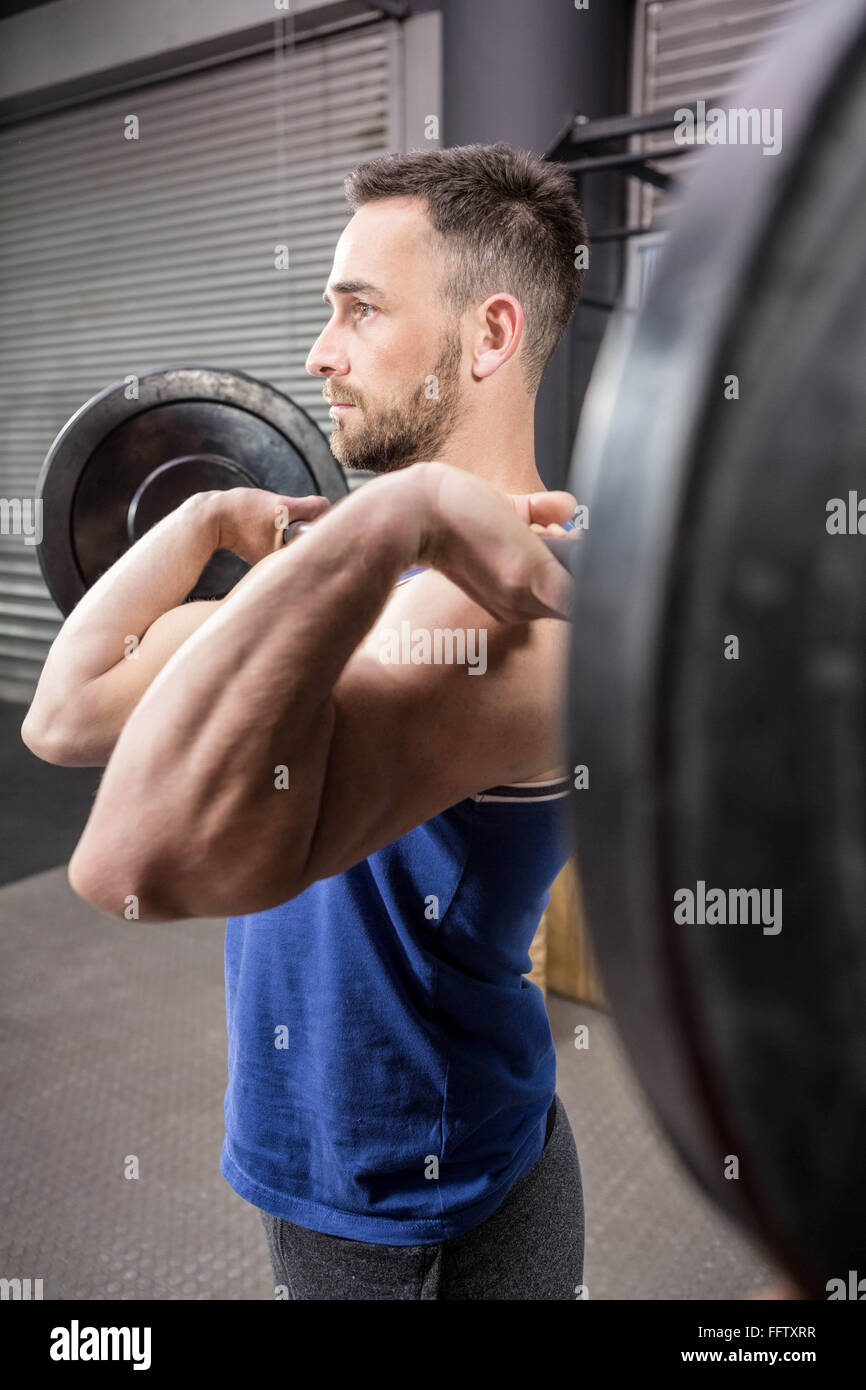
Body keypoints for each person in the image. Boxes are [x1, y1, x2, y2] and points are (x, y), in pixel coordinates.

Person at [23, 143, 589, 1300]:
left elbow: (133, 857)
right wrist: (203, 521)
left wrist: (398, 521)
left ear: (487, 338)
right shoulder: (353, 577)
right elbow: (68, 712)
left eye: (359, 311)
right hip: (321, 1152)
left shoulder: (514, 612)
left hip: (411, 1192)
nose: (316, 353)